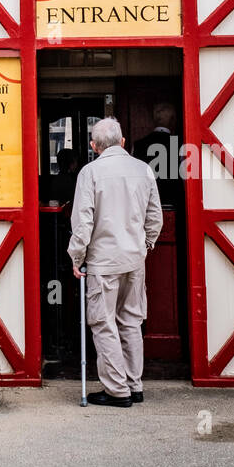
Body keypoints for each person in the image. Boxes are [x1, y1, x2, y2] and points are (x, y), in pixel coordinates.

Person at [68, 117, 162, 407]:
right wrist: (145, 245)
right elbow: (154, 217)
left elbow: (82, 222)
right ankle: (134, 385)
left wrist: (77, 256)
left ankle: (117, 391)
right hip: (134, 260)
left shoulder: (90, 172)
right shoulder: (143, 170)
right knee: (131, 322)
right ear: (122, 142)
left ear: (94, 146)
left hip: (103, 262)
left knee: (104, 323)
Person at [133, 103, 184, 209]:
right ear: (173, 120)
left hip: (147, 204)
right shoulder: (180, 144)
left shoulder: (138, 145)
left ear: (154, 120)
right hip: (174, 204)